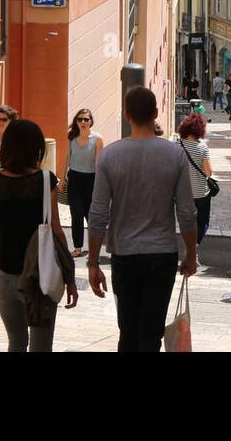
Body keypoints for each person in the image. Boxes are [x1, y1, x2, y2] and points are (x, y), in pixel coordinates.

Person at [87, 86, 197, 353]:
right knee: (150, 334)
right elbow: (186, 212)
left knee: (128, 332)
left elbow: (98, 214)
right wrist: (191, 254)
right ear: (156, 113)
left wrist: (92, 262)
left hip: (125, 254)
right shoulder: (175, 155)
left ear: (127, 115)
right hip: (161, 254)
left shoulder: (110, 156)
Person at [0, 119, 78, 351]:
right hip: (41, 277)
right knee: (41, 347)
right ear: (37, 149)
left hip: (4, 276)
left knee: (16, 342)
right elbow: (57, 231)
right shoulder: (45, 179)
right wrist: (70, 278)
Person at [60, 108, 103, 258]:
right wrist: (62, 177)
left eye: (86, 119)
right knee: (76, 213)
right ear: (76, 122)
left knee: (90, 215)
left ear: (91, 121)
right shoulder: (72, 137)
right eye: (80, 119)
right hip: (74, 179)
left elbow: (98, 163)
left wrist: (100, 183)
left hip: (91, 180)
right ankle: (78, 247)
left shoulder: (98, 139)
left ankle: (94, 249)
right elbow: (67, 158)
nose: (83, 122)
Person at [177, 113, 214, 250]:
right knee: (203, 222)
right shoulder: (202, 148)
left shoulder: (177, 145)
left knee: (187, 221)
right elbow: (208, 172)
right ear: (200, 129)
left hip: (183, 192)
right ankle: (195, 245)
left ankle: (189, 245)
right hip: (200, 193)